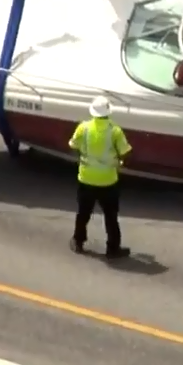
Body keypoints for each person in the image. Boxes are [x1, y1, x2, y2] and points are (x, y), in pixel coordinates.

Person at [68, 96, 132, 258]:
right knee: (111, 216)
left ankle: (78, 241)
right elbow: (125, 151)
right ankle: (113, 248)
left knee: (83, 213)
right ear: (108, 112)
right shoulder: (115, 131)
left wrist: (83, 159)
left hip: (86, 178)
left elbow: (73, 145)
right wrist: (119, 162)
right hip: (108, 180)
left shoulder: (83, 127)